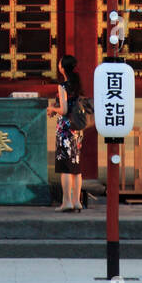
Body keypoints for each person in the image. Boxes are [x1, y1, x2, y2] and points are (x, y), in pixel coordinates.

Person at [47, 54, 85, 212]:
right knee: (75, 167)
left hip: (65, 129)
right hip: (77, 128)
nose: (58, 65)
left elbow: (64, 110)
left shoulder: (62, 86)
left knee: (65, 168)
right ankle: (77, 201)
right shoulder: (77, 84)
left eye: (60, 63)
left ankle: (66, 201)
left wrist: (52, 109)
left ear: (63, 67)